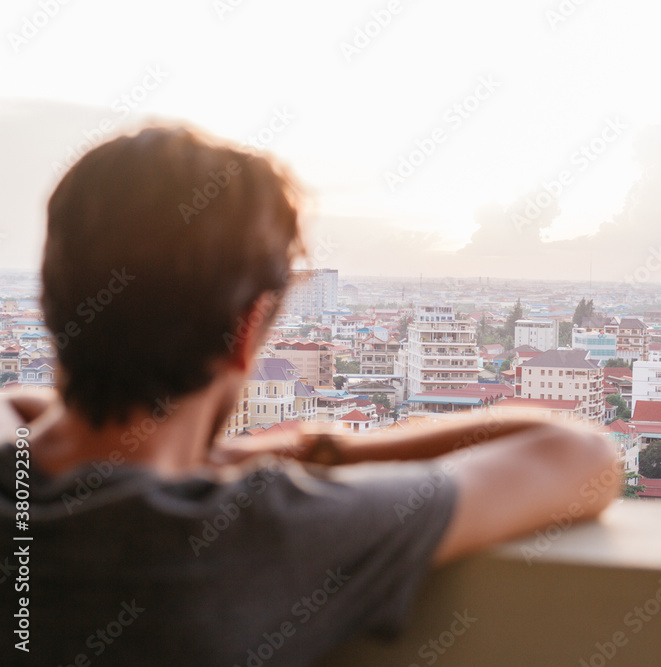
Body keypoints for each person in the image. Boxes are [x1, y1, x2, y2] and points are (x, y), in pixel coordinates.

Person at [0, 126, 619, 665]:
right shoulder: (253, 532)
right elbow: (582, 458)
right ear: (247, 333)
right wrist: (309, 450)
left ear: (53, 300)